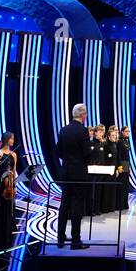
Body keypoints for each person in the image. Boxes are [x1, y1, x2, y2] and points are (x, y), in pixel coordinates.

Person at [54, 104, 91, 249]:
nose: (86, 117)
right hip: (79, 173)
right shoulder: (83, 131)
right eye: (85, 114)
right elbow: (87, 153)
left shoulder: (64, 130)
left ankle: (60, 239)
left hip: (65, 172)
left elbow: (58, 152)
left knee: (64, 205)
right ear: (82, 115)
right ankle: (76, 241)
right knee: (77, 206)